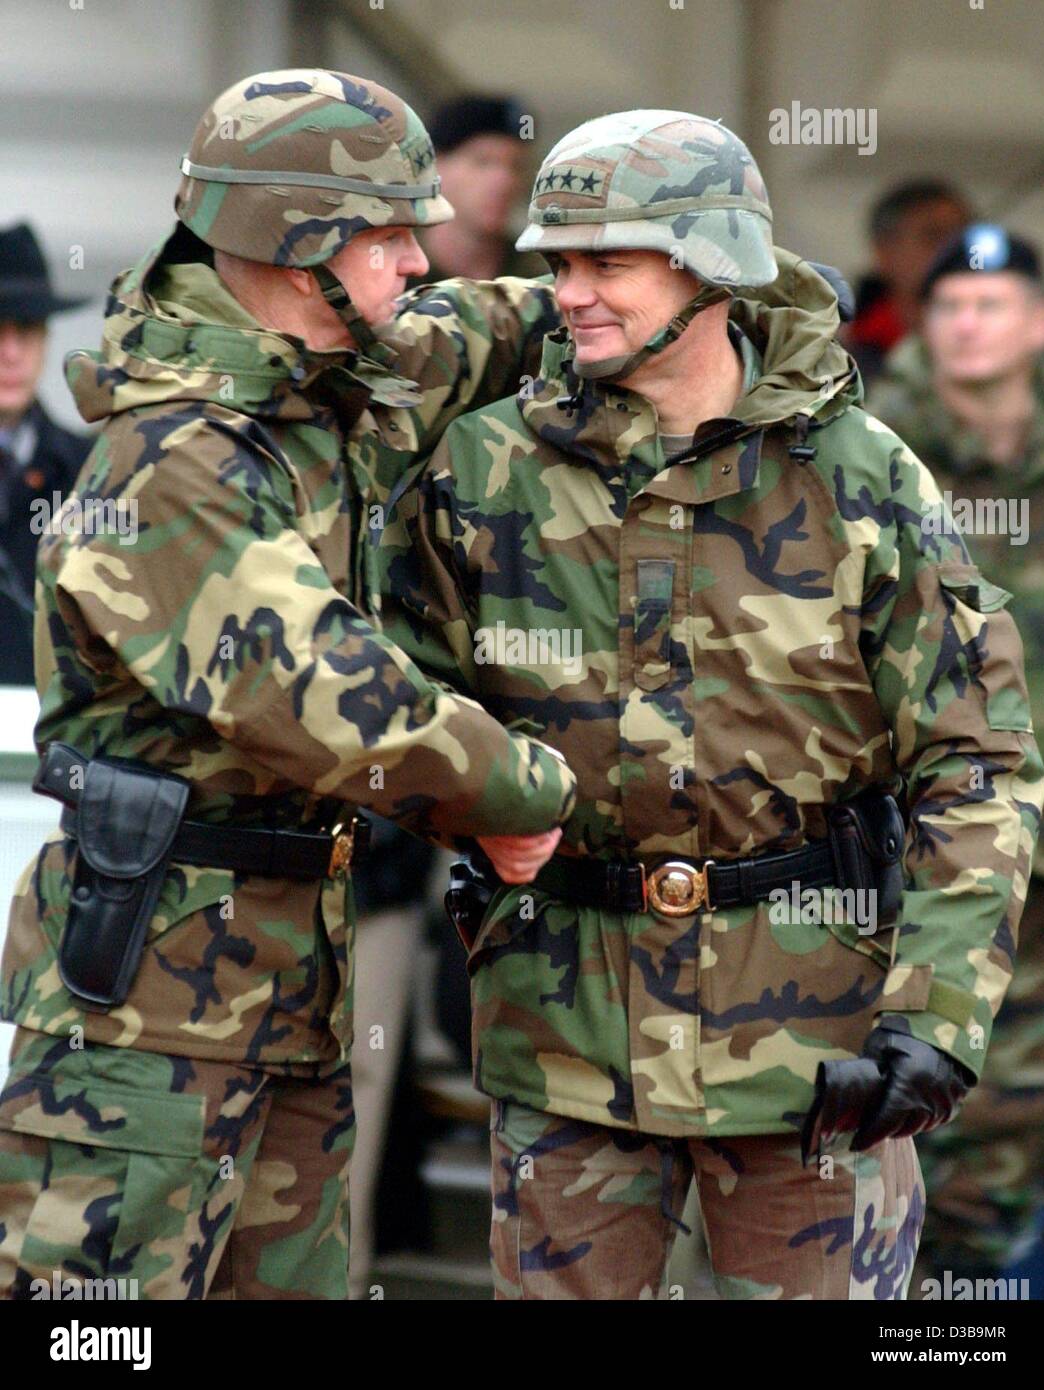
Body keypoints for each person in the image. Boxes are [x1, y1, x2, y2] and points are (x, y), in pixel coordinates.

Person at [379, 109, 1044, 1300]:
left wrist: (936, 1020)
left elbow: (976, 762)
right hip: (565, 1039)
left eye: (605, 262)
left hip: (817, 1060)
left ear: (709, 263)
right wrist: (467, 802)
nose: (568, 294)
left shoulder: (862, 476)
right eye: (557, 262)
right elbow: (384, 698)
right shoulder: (484, 470)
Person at [0, 68, 577, 1302]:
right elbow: (326, 692)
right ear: (295, 242)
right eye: (387, 232)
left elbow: (474, 332)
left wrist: (671, 287)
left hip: (285, 1002)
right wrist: (517, 788)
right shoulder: (169, 461)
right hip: (145, 1035)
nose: (418, 258)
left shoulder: (323, 377)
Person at [869, 225, 1044, 1291]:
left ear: (1040, 324)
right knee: (955, 1130)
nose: (969, 323)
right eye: (950, 306)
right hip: (948, 855)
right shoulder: (876, 452)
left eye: (994, 303)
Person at [0, 223, 92, 685]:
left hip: (53, 744)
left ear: (47, 339)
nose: (11, 352)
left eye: (28, 328)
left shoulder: (96, 471)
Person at [406, 94, 543, 288]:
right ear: (435, 165)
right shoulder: (393, 269)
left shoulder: (539, 277)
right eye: (483, 162)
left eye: (516, 166)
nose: (504, 180)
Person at [847, 179, 972, 384]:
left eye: (963, 237)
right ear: (884, 252)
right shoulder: (841, 353)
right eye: (933, 236)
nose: (954, 250)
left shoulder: (1007, 342)